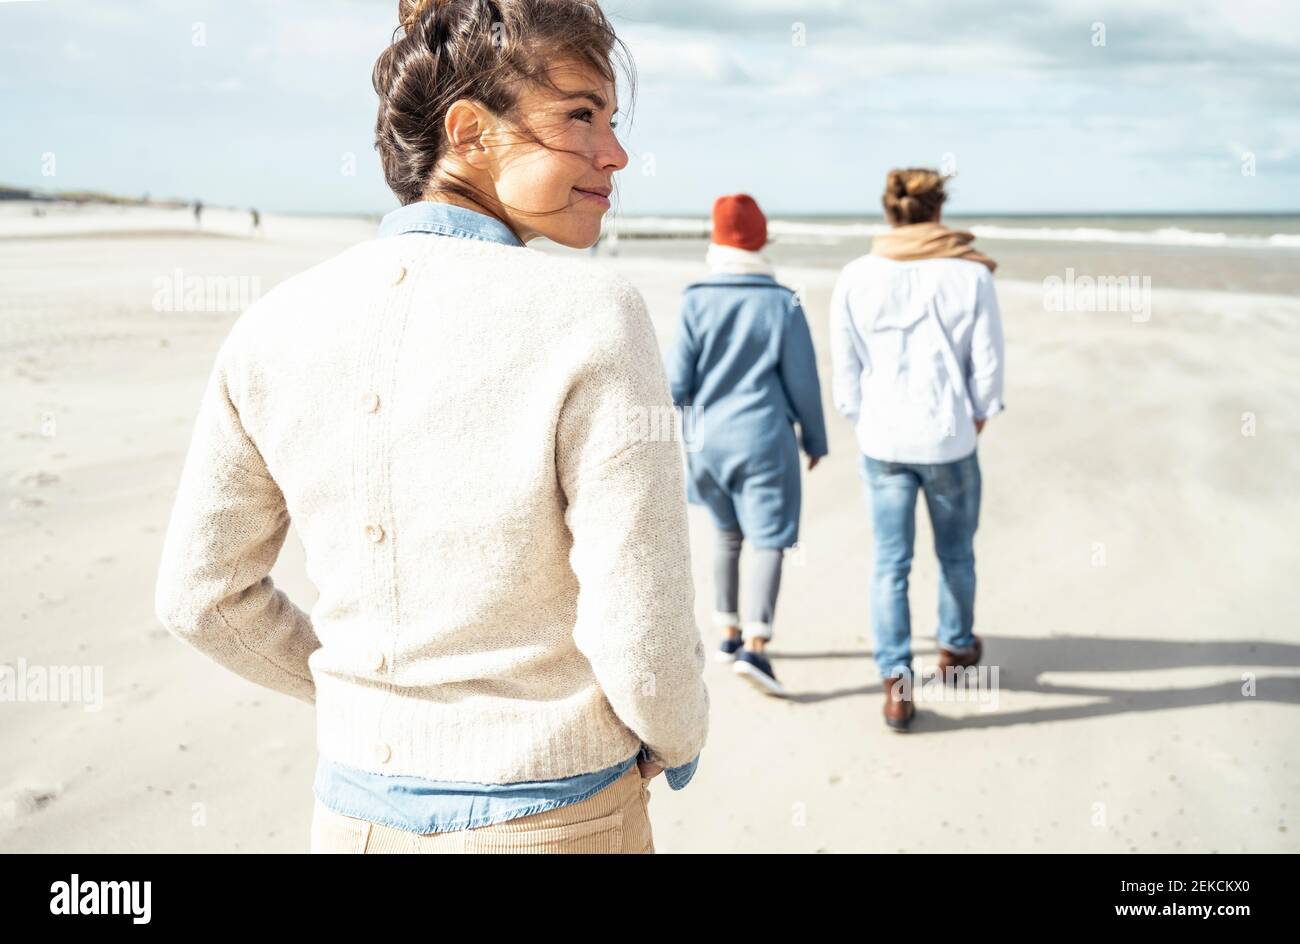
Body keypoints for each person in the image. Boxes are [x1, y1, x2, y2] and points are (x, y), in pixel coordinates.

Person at [154, 0, 708, 854]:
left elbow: (201, 597)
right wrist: (677, 737)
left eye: (611, 122)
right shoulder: (594, 315)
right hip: (553, 816)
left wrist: (367, 698)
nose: (616, 152)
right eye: (581, 115)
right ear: (470, 132)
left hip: (350, 820)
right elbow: (641, 629)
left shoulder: (272, 325)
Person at [829, 168, 1005, 731]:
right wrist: (976, 418)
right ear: (938, 210)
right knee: (956, 553)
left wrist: (862, 419)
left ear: (890, 212)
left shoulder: (857, 274)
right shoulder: (970, 275)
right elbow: (988, 365)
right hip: (950, 438)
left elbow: (845, 368)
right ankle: (954, 649)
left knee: (890, 563)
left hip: (883, 438)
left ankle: (897, 687)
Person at [667, 194, 828, 698]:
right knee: (770, 539)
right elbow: (803, 382)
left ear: (716, 241)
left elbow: (677, 384)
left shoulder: (695, 299)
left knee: (726, 535)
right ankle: (756, 648)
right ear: (761, 241)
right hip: (764, 440)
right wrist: (815, 438)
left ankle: (728, 634)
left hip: (707, 443)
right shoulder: (782, 302)